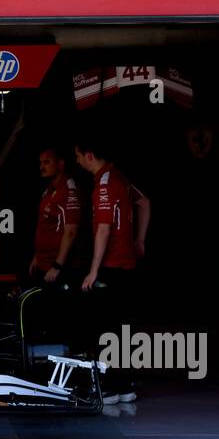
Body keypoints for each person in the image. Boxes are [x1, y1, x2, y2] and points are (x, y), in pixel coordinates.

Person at [73, 137, 150, 404]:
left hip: (111, 265)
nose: (77, 161)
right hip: (127, 263)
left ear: (89, 154)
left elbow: (104, 228)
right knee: (123, 328)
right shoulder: (121, 178)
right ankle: (125, 385)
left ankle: (109, 389)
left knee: (106, 328)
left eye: (78, 155)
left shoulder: (105, 183)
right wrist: (139, 240)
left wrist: (93, 271)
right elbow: (145, 203)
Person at [29, 147, 82, 284]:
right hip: (42, 263)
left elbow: (71, 232)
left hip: (56, 268)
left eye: (46, 162)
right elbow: (44, 225)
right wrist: (37, 257)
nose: (42, 167)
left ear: (60, 164)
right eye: (40, 163)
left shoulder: (68, 189)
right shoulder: (49, 190)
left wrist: (57, 266)